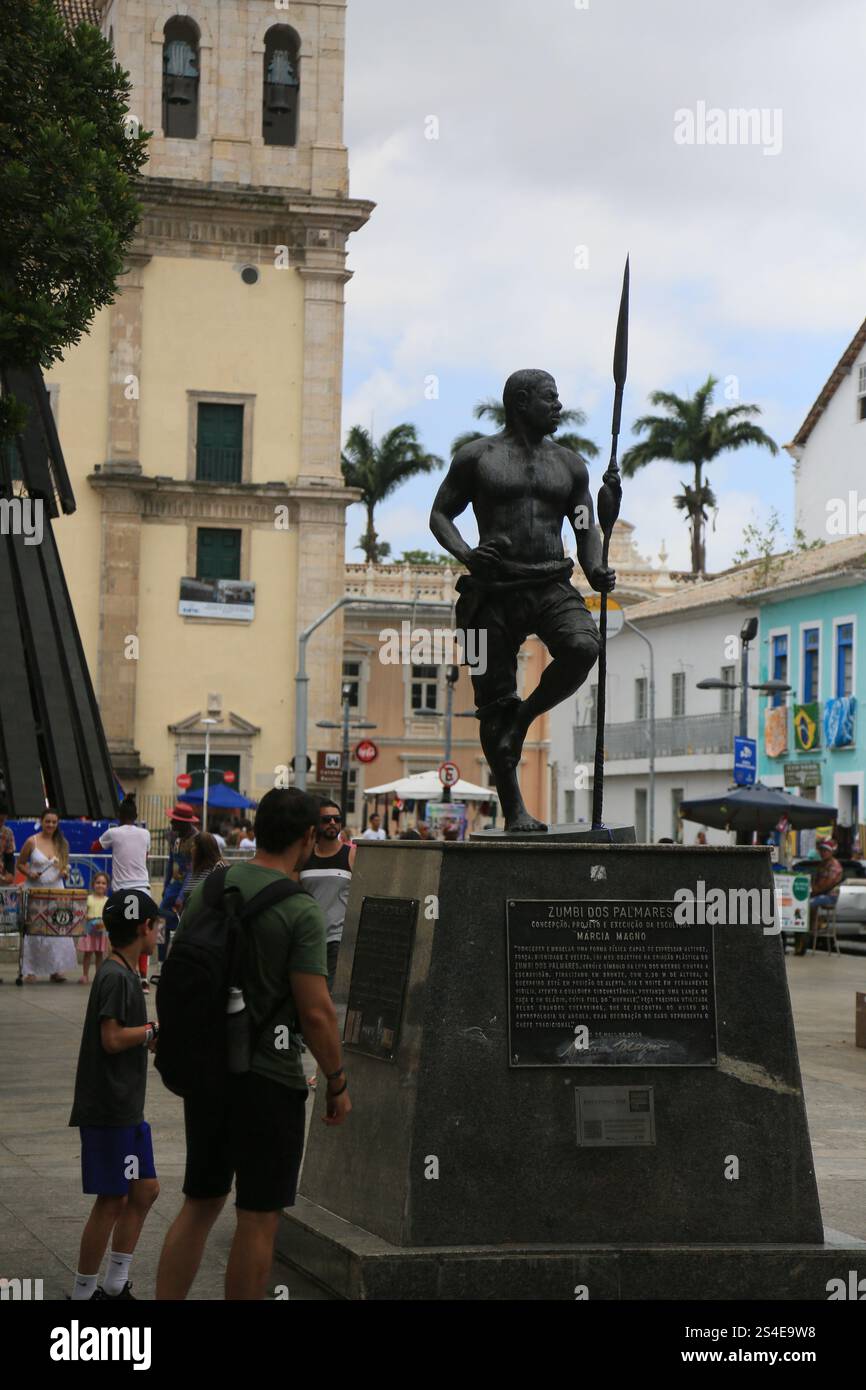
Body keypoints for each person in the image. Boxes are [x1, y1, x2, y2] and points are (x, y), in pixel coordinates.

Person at [155, 788, 351, 1303]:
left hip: (208, 1073)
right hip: (269, 1080)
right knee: (259, 1217)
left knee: (199, 1203)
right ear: (309, 837)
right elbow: (315, 1011)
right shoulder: (302, 910)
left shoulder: (213, 887)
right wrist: (337, 1079)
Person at [430, 368, 616, 831]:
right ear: (521, 402)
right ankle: (514, 811)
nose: (558, 406)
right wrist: (467, 554)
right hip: (489, 591)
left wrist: (594, 569)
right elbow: (440, 514)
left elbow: (583, 526)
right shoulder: (477, 457)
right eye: (550, 398)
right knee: (494, 701)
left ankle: (525, 718)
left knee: (583, 646)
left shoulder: (571, 465)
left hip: (551, 582)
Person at [68, 889, 161, 1300]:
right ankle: (85, 1295)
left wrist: (144, 1035)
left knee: (144, 1189)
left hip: (125, 1106)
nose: (158, 932)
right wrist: (150, 1033)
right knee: (112, 1200)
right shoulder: (115, 977)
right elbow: (110, 1038)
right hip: (109, 1107)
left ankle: (115, 1284)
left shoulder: (122, 972)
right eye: (156, 926)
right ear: (144, 928)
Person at [300, 799, 355, 995]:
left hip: (336, 940)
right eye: (326, 819)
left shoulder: (351, 855)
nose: (332, 823)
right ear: (315, 824)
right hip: (308, 939)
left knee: (327, 995)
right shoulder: (305, 856)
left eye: (337, 819)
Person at [98, 796, 153, 991]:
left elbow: (95, 847)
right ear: (136, 816)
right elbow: (145, 855)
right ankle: (144, 979)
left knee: (120, 934)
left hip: (122, 892)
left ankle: (125, 973)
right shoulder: (145, 834)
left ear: (119, 816)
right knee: (142, 933)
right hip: (143, 890)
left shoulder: (113, 833)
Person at [17, 809, 76, 983]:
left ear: (57, 824)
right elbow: (20, 864)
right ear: (41, 821)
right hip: (36, 890)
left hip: (57, 889)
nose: (50, 825)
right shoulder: (31, 841)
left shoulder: (62, 843)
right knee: (34, 930)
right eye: (47, 821)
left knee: (57, 928)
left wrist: (64, 872)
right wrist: (29, 873)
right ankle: (30, 970)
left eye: (54, 822)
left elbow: (65, 866)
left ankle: (56, 969)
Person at [155, 804, 199, 980]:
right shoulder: (174, 836)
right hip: (175, 884)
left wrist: (182, 896)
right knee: (160, 920)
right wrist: (166, 886)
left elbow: (192, 871)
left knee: (186, 924)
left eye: (175, 820)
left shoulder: (196, 840)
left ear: (184, 823)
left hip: (191, 885)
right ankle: (160, 962)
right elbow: (170, 861)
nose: (171, 823)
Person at [796, 838, 843, 955]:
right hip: (821, 894)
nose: (823, 853)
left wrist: (814, 891)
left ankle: (815, 926)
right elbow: (816, 882)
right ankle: (813, 926)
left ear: (831, 852)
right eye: (821, 851)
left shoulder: (834, 865)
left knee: (809, 904)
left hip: (830, 896)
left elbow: (826, 885)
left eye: (825, 851)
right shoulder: (822, 864)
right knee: (804, 904)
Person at [79, 871, 110, 985]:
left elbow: (108, 915)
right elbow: (82, 913)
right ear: (93, 884)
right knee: (87, 953)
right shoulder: (88, 899)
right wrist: (87, 917)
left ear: (107, 886)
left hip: (101, 930)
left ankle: (98, 976)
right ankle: (85, 975)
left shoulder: (107, 901)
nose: (100, 885)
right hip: (89, 930)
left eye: (103, 883)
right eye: (98, 882)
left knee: (99, 954)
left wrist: (104, 921)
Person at [0, 803, 16, 885]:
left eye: (2, 820)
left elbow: (9, 857)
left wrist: (10, 873)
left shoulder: (7, 832)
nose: (0, 823)